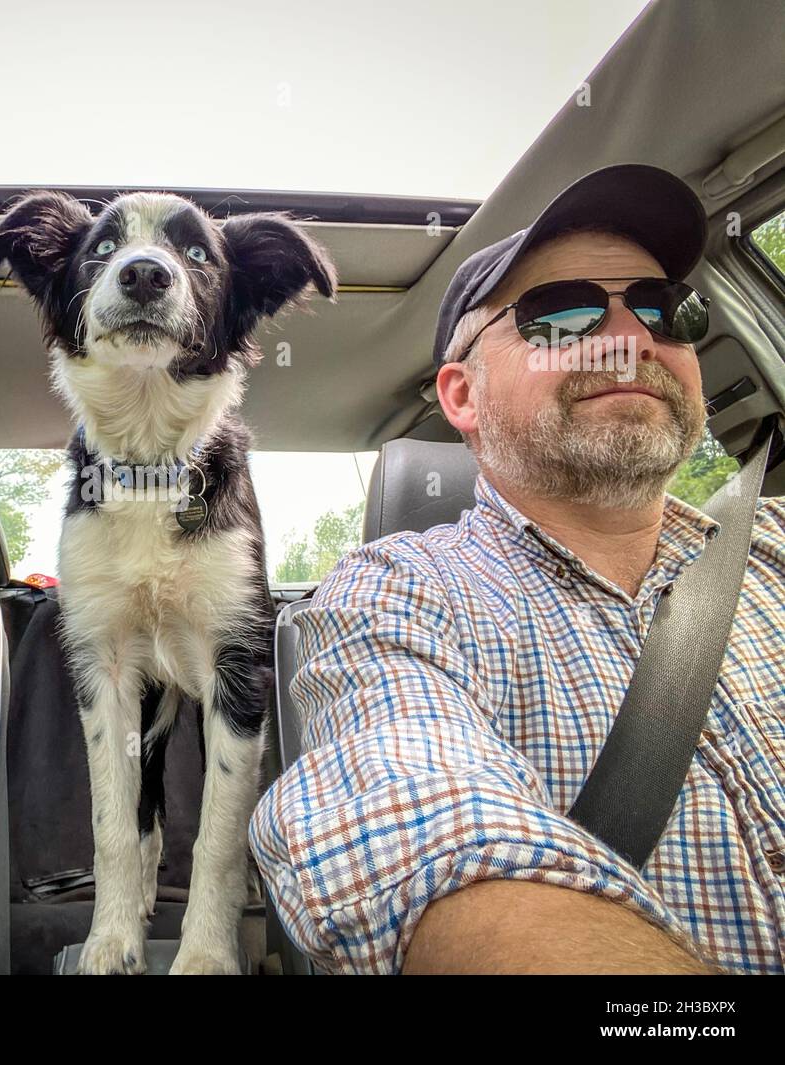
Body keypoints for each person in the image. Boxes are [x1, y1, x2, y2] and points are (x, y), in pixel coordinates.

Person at [250, 164, 785, 974]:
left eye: (664, 310)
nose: (632, 338)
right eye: (561, 315)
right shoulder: (398, 593)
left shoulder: (773, 547)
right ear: (462, 396)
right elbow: (423, 834)